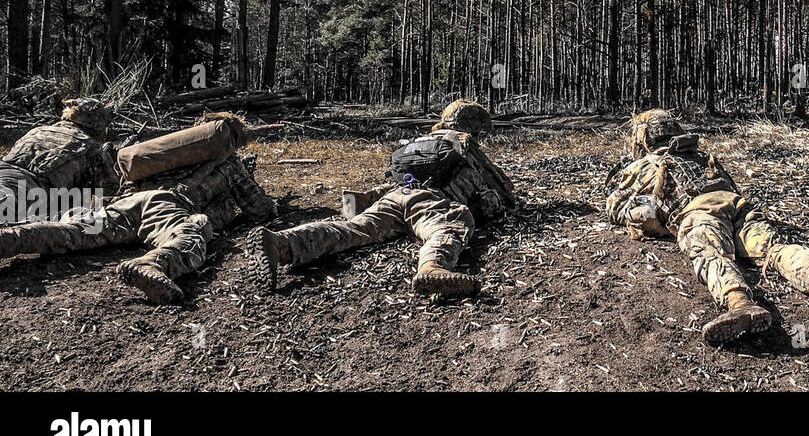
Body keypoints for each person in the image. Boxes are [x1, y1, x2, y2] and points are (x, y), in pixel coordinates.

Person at [606, 109, 809, 346]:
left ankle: (740, 304)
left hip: (698, 214)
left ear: (642, 139)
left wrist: (650, 221)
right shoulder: (702, 158)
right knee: (775, 249)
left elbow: (623, 208)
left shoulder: (644, 165)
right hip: (739, 206)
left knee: (711, 255)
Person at [246, 99, 513, 298]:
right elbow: (501, 192)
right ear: (475, 127)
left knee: (354, 229)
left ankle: (281, 242)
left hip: (398, 194)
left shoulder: (423, 140)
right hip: (430, 200)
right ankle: (433, 267)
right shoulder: (464, 144)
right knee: (450, 224)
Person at [0, 121, 274, 303]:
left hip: (128, 202)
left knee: (73, 232)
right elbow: (259, 210)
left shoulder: (168, 152)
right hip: (168, 205)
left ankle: (14, 239)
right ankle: (153, 264)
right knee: (192, 232)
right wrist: (269, 203)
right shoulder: (228, 163)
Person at [0, 99, 118, 222]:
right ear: (97, 122)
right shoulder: (91, 146)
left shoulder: (38, 130)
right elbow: (110, 192)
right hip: (27, 191)